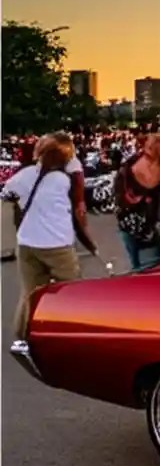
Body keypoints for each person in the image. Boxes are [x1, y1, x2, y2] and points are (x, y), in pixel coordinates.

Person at [3, 133, 95, 340]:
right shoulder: (64, 180)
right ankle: (74, 333)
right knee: (72, 290)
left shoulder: (23, 176)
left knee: (30, 293)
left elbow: (7, 194)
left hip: (27, 242)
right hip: (57, 243)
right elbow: (78, 204)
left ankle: (23, 335)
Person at [113, 133, 160, 270]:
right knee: (149, 269)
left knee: (137, 267)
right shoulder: (154, 168)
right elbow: (151, 185)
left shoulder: (131, 162)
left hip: (127, 225)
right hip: (147, 230)